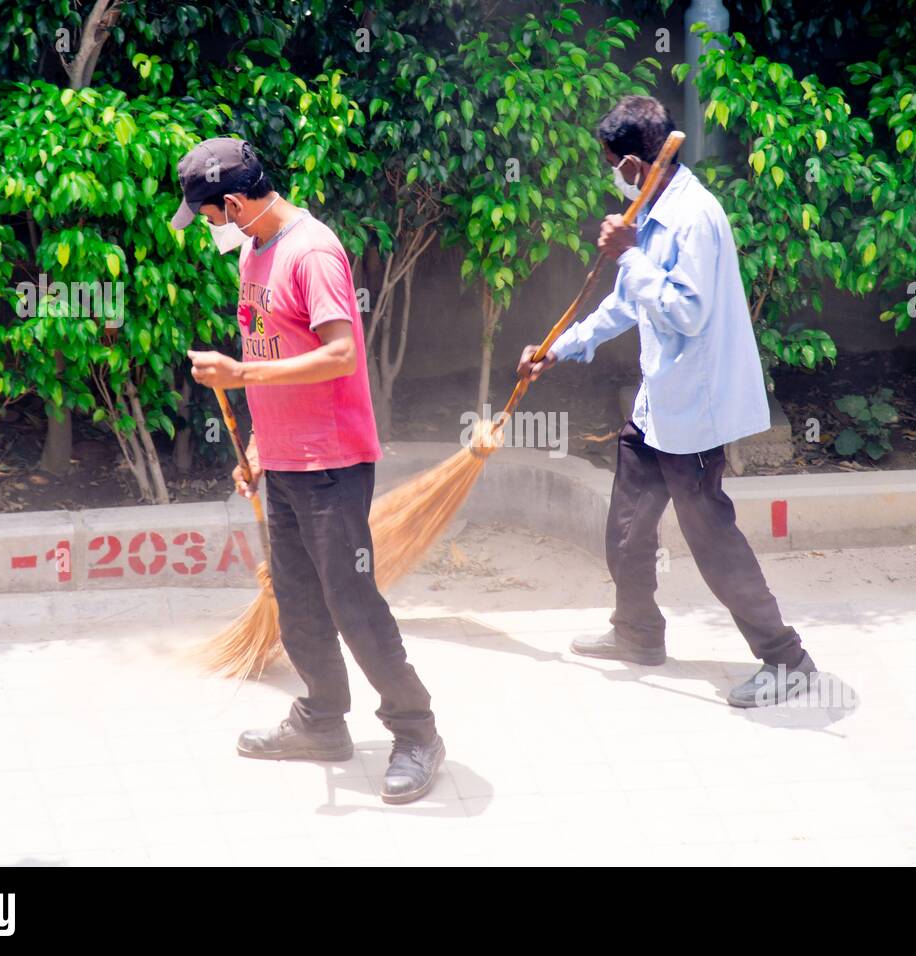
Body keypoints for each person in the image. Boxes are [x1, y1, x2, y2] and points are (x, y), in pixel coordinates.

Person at [517, 97, 816, 707]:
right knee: (627, 525)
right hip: (658, 403)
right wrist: (560, 348)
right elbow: (627, 304)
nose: (609, 175)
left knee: (710, 536)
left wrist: (630, 253)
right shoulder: (648, 211)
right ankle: (637, 634)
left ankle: (788, 661)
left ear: (632, 161)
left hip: (695, 412)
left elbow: (687, 310)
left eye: (610, 165)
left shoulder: (693, 218)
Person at [175, 137, 445, 801]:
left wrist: (240, 374)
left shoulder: (312, 251)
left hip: (333, 463)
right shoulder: (252, 250)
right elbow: (278, 351)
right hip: (287, 462)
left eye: (208, 215)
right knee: (296, 602)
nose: (207, 227)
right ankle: (322, 720)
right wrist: (262, 449)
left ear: (234, 203)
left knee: (352, 604)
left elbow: (340, 355)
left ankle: (416, 731)